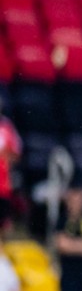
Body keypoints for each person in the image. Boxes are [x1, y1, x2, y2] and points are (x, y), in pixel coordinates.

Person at [0, 96, 22, 235]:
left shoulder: (7, 127)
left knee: (4, 225)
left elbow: (16, 154)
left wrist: (5, 155)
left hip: (3, 185)